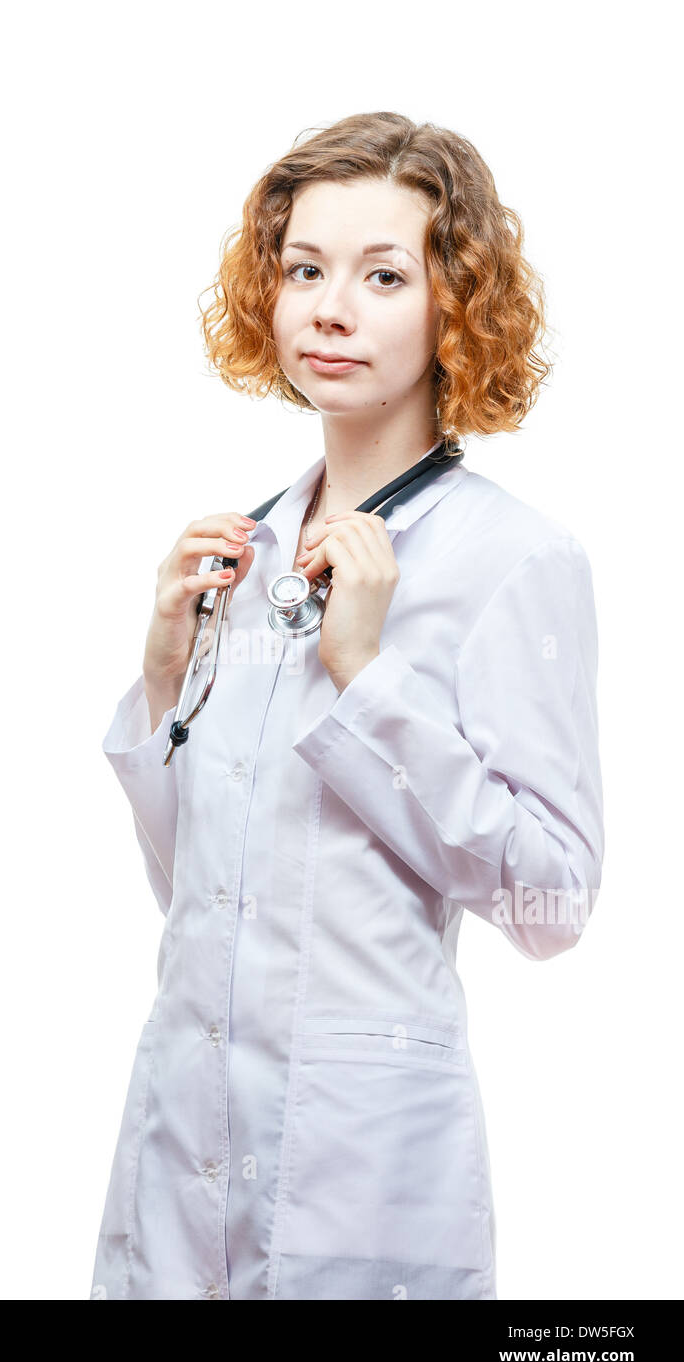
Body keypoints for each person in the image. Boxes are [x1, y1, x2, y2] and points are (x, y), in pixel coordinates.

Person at [89, 111, 604, 1301]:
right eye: (304, 269)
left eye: (383, 275)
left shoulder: (511, 560)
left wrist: (366, 680)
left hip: (360, 1162)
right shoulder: (246, 547)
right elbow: (198, 892)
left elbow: (555, 897)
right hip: (182, 1142)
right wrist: (166, 669)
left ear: (454, 306)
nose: (331, 308)